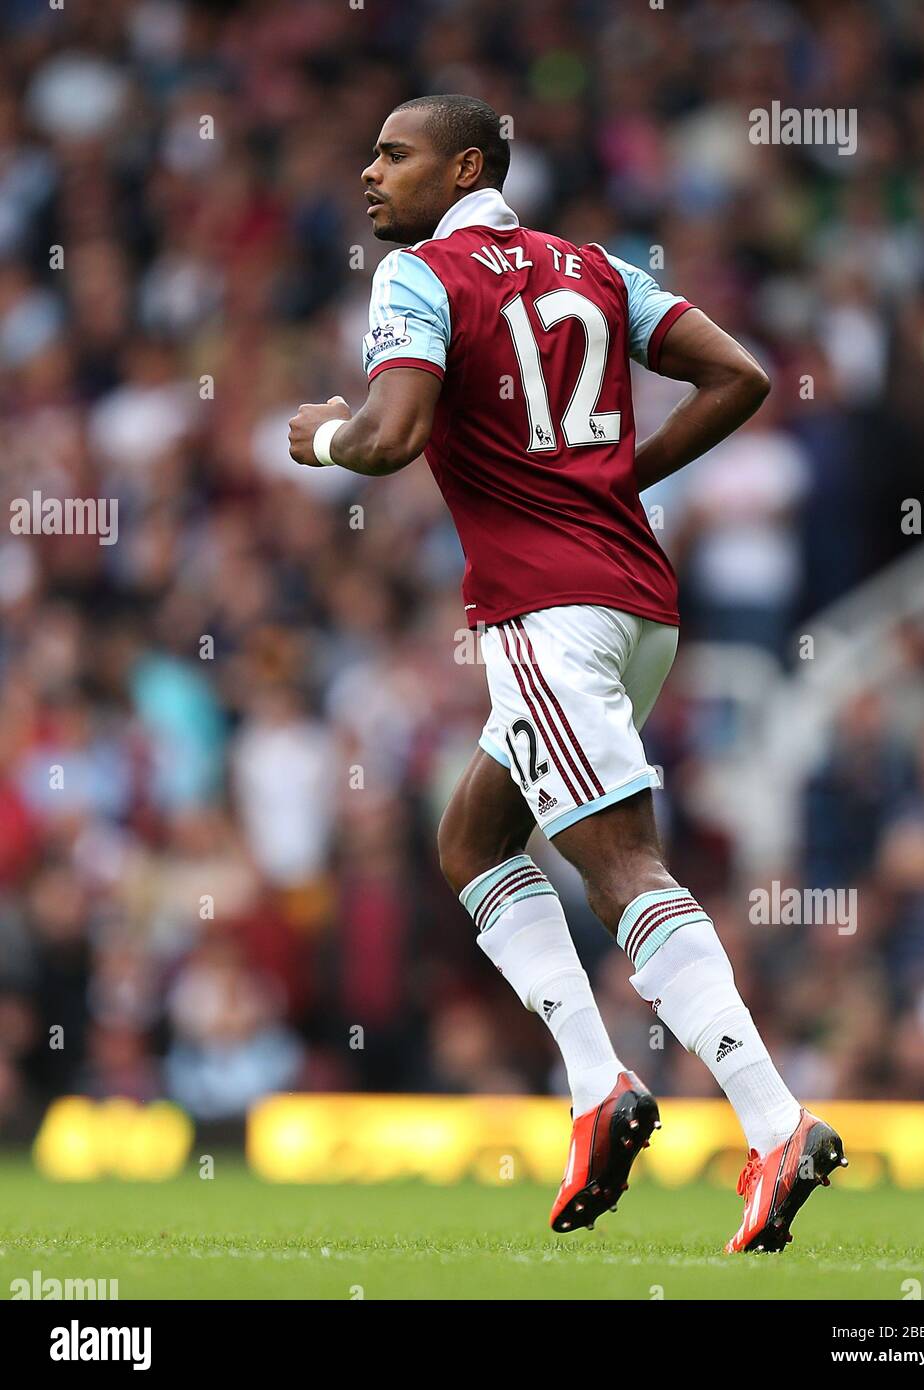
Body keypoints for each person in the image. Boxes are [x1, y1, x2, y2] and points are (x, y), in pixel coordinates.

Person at [288, 95, 847, 1250]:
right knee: (473, 841)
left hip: (546, 614)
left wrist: (322, 437)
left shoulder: (422, 278)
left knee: (619, 866)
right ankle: (596, 1091)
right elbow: (737, 376)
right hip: (635, 605)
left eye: (393, 153)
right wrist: (616, 482)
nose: (368, 172)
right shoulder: (594, 266)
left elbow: (389, 438)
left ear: (466, 167)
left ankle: (774, 1118)